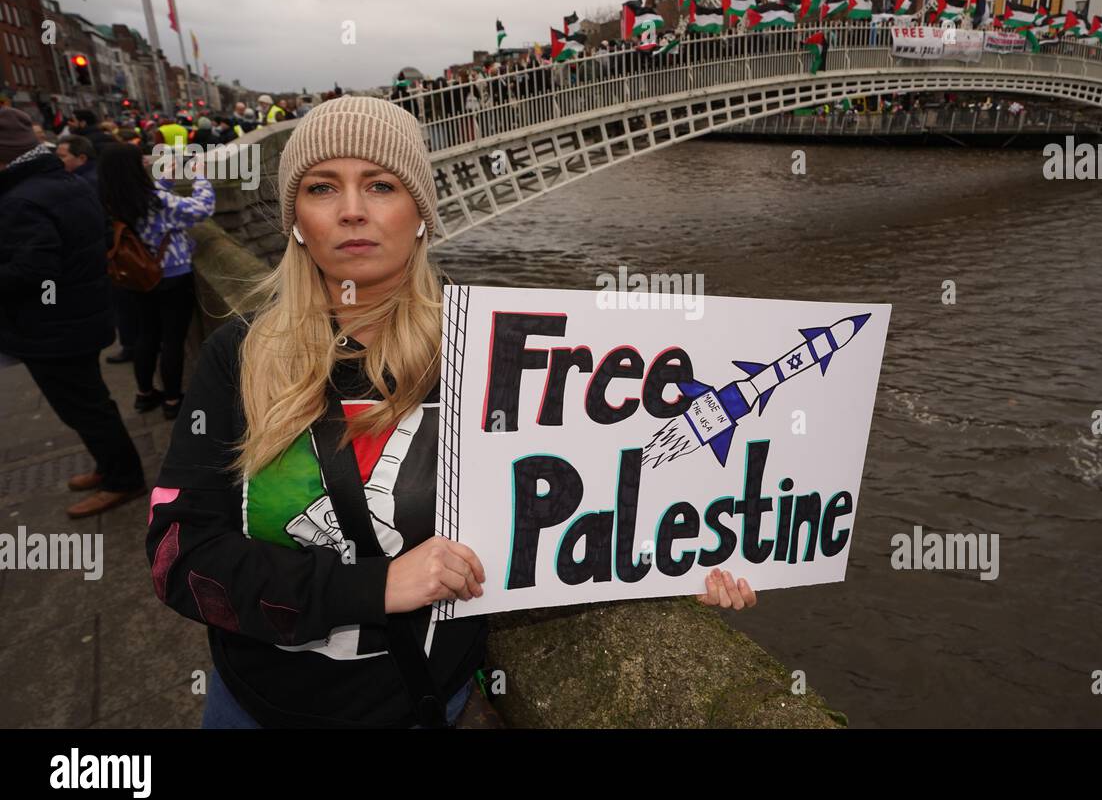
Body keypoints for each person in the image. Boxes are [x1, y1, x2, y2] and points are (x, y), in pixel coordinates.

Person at [144, 95, 755, 730]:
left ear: (421, 216)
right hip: (256, 712)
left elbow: (578, 499)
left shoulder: (492, 352)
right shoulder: (239, 356)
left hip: (420, 707)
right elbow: (177, 557)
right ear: (296, 220)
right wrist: (376, 586)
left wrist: (665, 557)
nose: (352, 209)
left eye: (381, 185)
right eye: (322, 187)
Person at [0, 108, 147, 518]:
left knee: (84, 407)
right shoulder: (65, 182)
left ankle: (124, 479)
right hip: (80, 315)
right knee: (91, 402)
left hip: (53, 328)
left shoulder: (21, 200)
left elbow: (34, 270)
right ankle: (110, 466)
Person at [98, 143, 214, 421]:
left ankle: (145, 393)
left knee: (146, 334)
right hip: (171, 276)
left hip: (137, 277)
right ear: (132, 167)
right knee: (172, 339)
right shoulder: (155, 200)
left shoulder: (113, 199)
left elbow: (151, 206)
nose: (147, 162)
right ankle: (173, 399)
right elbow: (203, 208)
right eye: (141, 160)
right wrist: (200, 176)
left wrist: (164, 181)